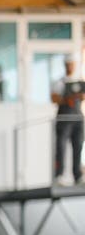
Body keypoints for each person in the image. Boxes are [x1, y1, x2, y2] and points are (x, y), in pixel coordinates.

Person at [51, 55, 84, 185]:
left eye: (72, 64)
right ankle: (59, 175)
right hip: (64, 118)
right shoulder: (59, 82)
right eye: (68, 64)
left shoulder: (79, 81)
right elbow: (54, 98)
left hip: (77, 118)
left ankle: (78, 176)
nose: (70, 66)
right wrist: (66, 100)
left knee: (78, 146)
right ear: (65, 65)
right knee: (61, 147)